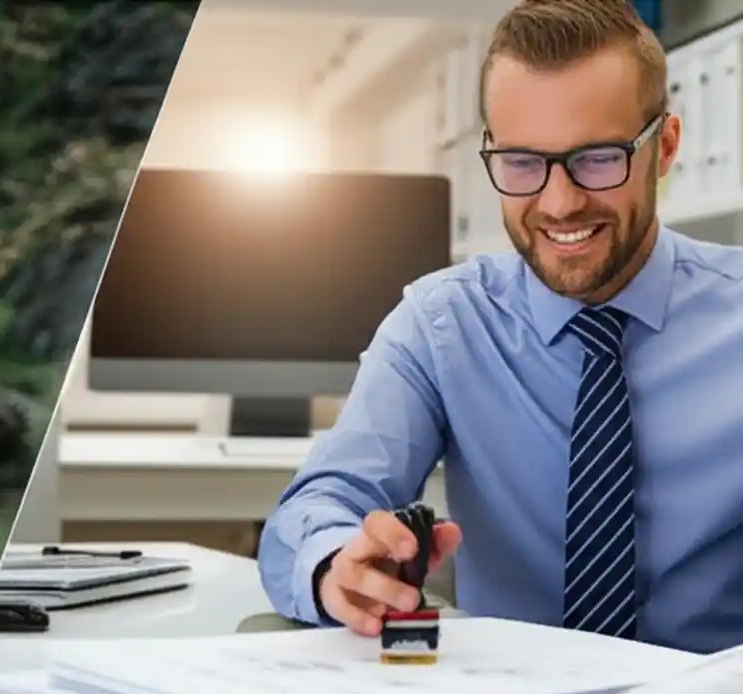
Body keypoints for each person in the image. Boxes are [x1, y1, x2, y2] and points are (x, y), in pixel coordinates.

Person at [258, 0, 743, 655]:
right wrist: (337, 563)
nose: (559, 201)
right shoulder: (440, 326)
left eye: (599, 159)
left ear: (667, 147)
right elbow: (323, 499)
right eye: (521, 163)